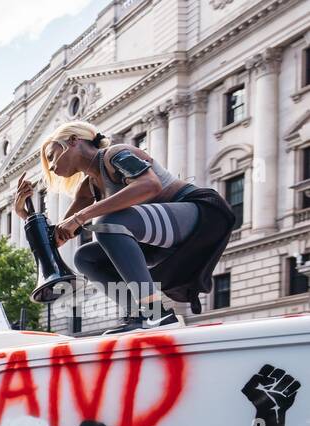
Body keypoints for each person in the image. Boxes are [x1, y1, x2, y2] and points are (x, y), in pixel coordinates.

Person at [19, 120, 234, 328]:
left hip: (201, 216)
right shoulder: (89, 187)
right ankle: (139, 315)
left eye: (52, 156)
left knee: (106, 222)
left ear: (73, 140)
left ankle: (155, 313)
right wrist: (25, 214)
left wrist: (82, 216)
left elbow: (150, 185)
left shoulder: (115, 154)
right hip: (160, 238)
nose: (52, 166)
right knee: (85, 257)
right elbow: (56, 237)